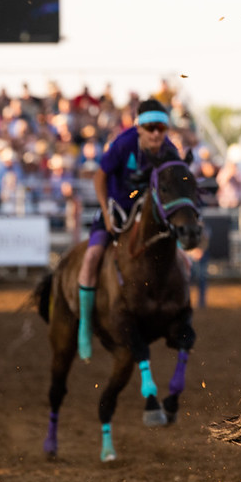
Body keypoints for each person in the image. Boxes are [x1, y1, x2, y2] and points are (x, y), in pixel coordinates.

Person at [77, 99, 177, 363]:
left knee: (181, 261)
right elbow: (100, 176)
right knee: (91, 257)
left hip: (148, 217)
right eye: (150, 127)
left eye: (161, 128)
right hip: (116, 209)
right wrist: (105, 211)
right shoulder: (123, 144)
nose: (156, 133)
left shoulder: (170, 150)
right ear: (139, 128)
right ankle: (85, 325)